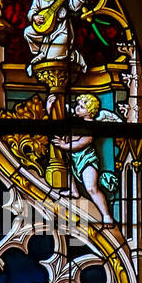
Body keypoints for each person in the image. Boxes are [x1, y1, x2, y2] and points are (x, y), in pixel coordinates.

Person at [51, 94, 118, 222]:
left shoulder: (91, 126)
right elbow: (57, 123)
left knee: (91, 188)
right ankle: (74, 191)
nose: (77, 108)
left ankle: (106, 215)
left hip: (87, 160)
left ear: (90, 111)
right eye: (78, 105)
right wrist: (50, 108)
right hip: (72, 157)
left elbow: (82, 142)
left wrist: (64, 145)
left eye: (81, 107)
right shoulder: (75, 121)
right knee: (68, 170)